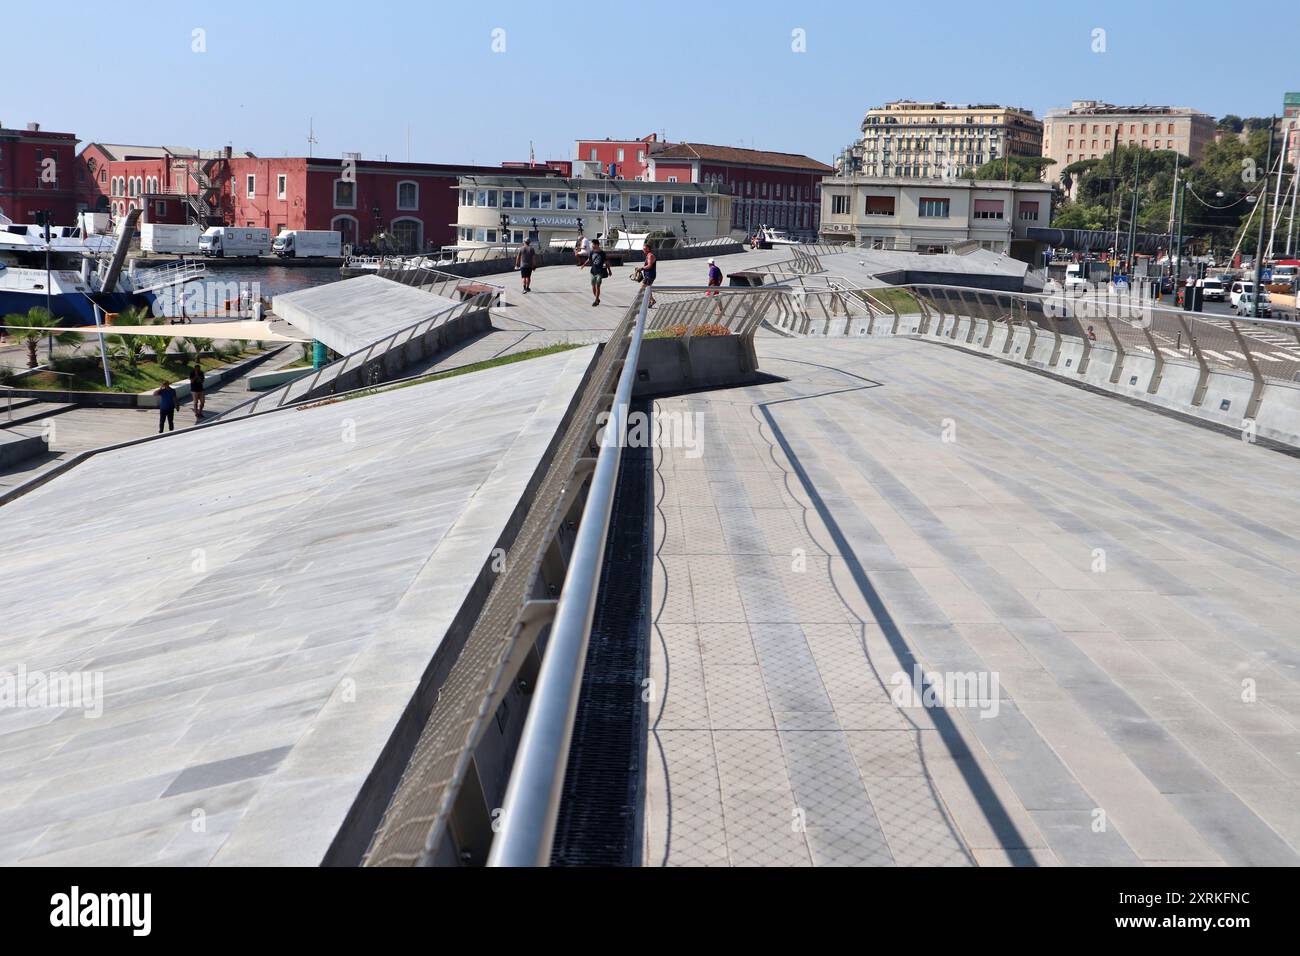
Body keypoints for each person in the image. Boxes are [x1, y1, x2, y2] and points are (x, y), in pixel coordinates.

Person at [589, 238, 609, 306]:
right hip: (592, 271)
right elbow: (589, 260)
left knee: (598, 286)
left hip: (600, 272)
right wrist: (583, 265)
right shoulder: (591, 252)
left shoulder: (602, 253)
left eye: (593, 244)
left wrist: (609, 270)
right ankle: (597, 298)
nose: (592, 246)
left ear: (597, 245)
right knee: (593, 287)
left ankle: (596, 301)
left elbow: (606, 262)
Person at [641, 240, 657, 308]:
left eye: (644, 248)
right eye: (643, 248)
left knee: (642, 289)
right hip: (649, 275)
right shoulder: (648, 255)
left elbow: (649, 265)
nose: (643, 249)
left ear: (648, 249)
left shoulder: (650, 256)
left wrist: (641, 268)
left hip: (649, 275)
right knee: (648, 288)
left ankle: (641, 304)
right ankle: (651, 300)